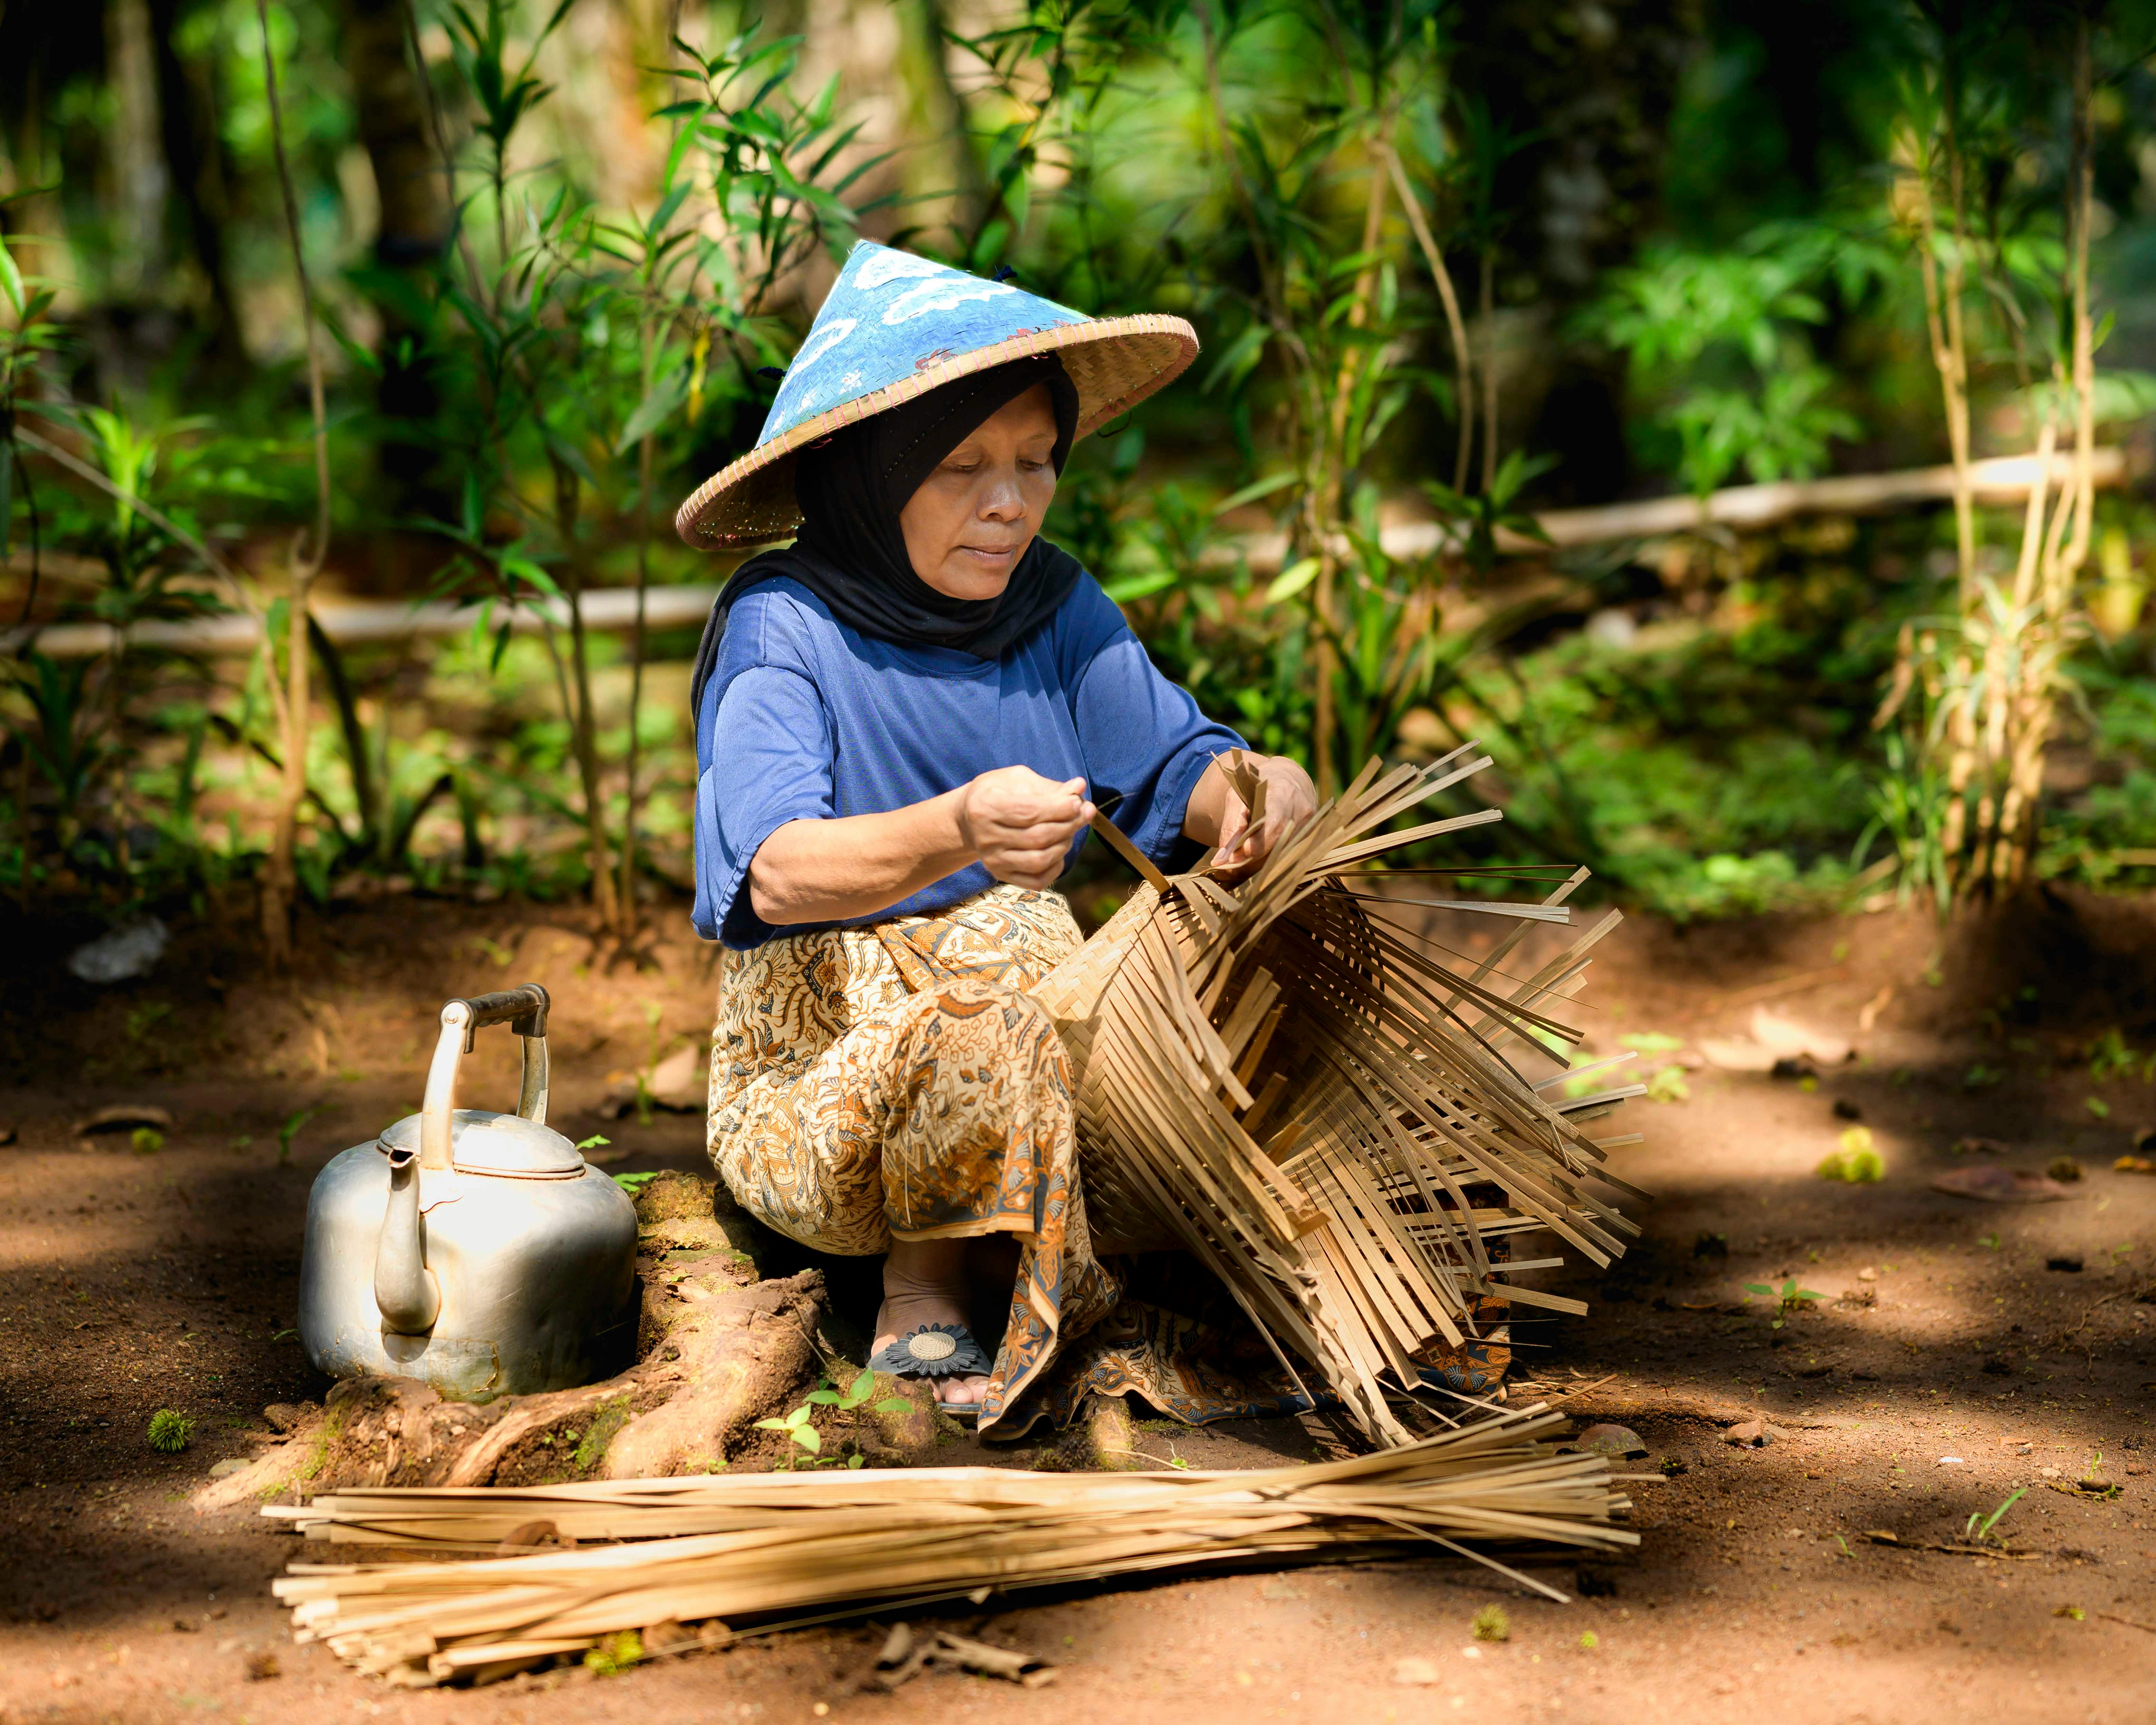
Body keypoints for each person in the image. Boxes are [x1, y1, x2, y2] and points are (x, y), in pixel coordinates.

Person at [677, 243, 1316, 1438]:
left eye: (1034, 461)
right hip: (822, 1100)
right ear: (871, 474)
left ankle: (1090, 1265)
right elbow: (770, 867)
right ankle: (930, 1284)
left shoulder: (1055, 604)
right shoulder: (784, 626)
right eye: (963, 466)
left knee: (1133, 959)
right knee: (1010, 930)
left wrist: (1257, 797)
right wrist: (955, 828)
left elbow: (1179, 769)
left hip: (1056, 1079)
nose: (1009, 501)